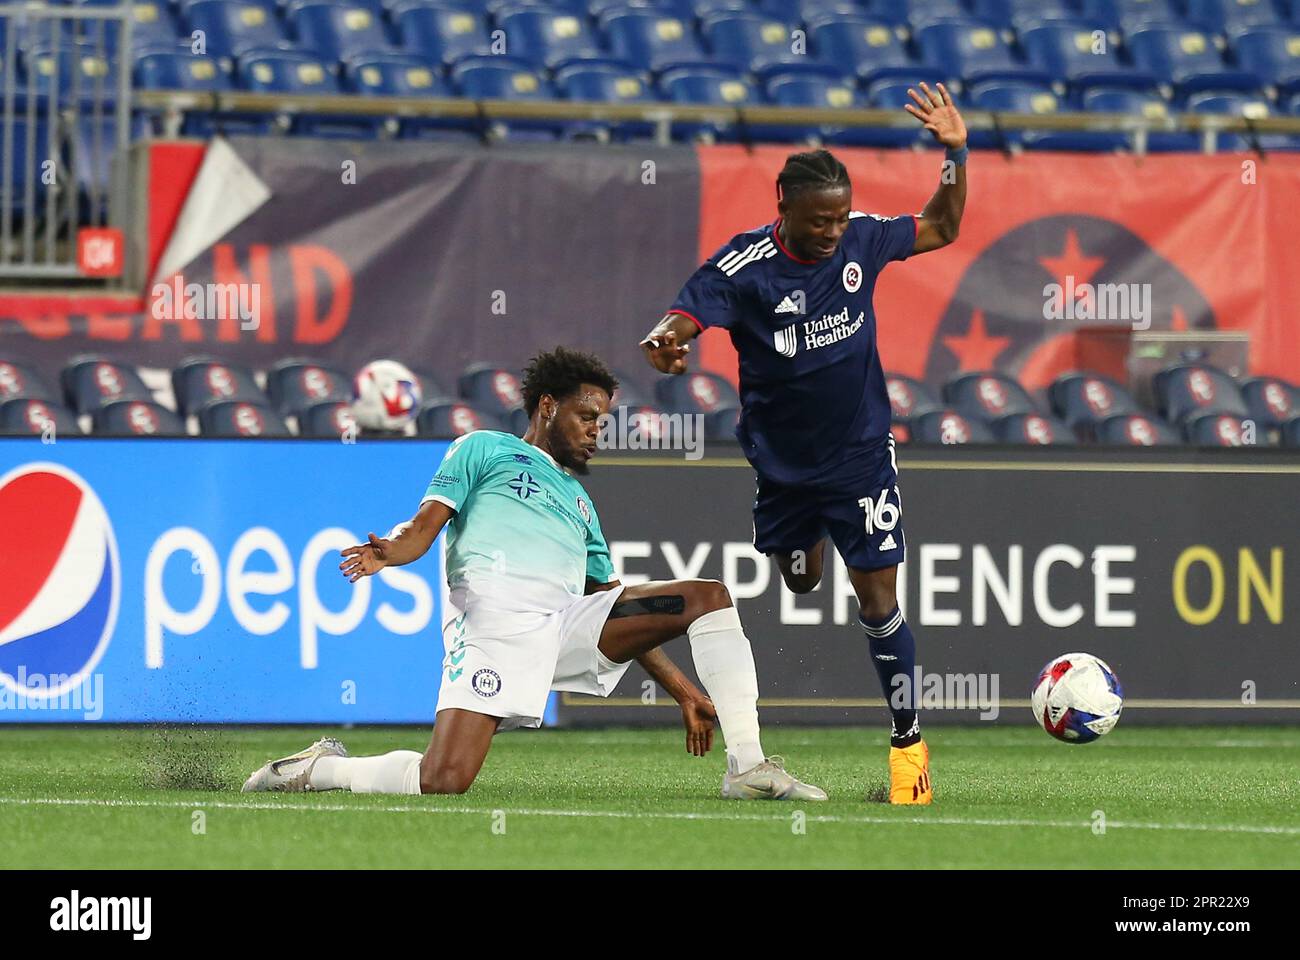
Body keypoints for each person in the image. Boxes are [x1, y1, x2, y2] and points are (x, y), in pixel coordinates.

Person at [243, 346, 824, 801]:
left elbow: (611, 599)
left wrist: (684, 692)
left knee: (708, 596)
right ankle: (322, 769)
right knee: (443, 780)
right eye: (588, 416)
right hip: (493, 623)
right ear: (548, 407)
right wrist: (390, 552)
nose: (598, 430)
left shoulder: (579, 502)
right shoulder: (484, 449)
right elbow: (422, 526)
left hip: (565, 625)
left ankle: (746, 766)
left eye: (604, 420)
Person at [638, 83, 968, 804]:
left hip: (859, 453)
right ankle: (806, 535)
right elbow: (685, 314)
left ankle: (910, 759)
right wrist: (668, 343)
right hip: (784, 468)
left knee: (879, 599)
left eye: (840, 219)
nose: (831, 232)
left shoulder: (862, 239)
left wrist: (954, 152)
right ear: (782, 203)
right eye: (819, 220)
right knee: (800, 579)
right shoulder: (746, 265)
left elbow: (941, 228)